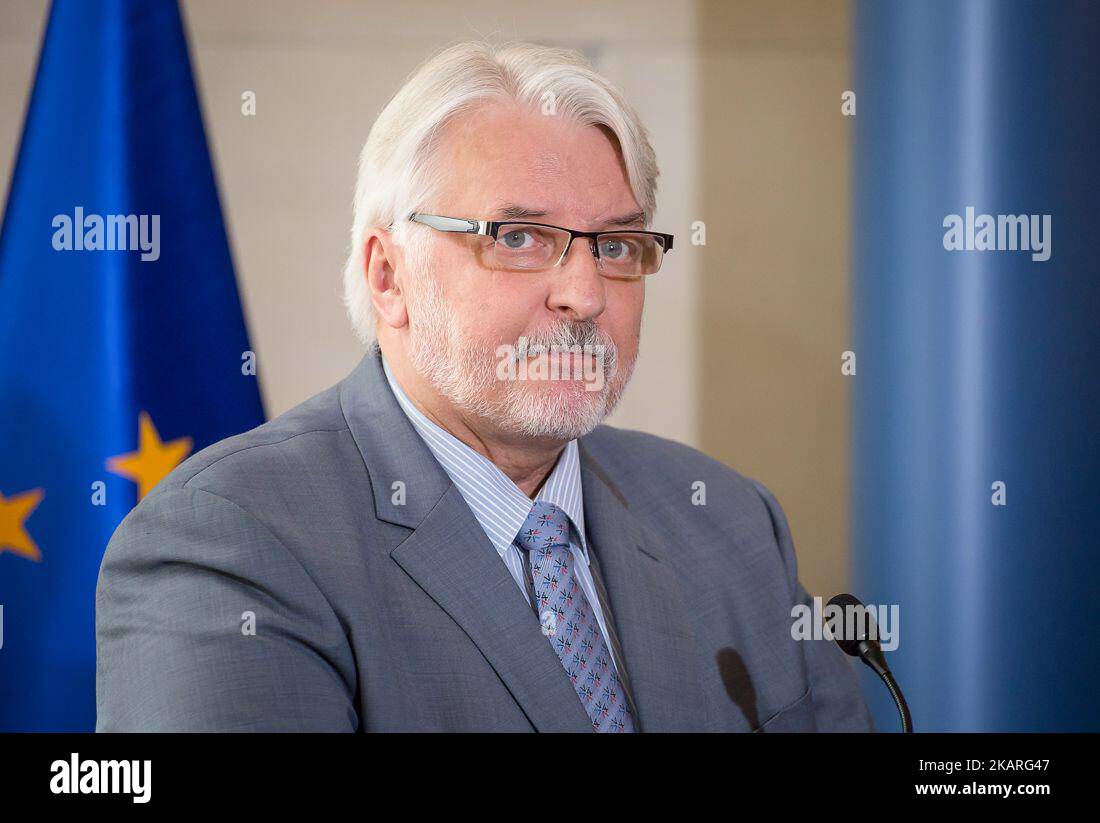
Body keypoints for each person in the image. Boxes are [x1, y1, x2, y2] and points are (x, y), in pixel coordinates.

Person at [95, 40, 873, 732]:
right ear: (388, 276)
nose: (586, 293)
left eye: (616, 243)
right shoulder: (232, 542)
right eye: (520, 238)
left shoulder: (729, 519)